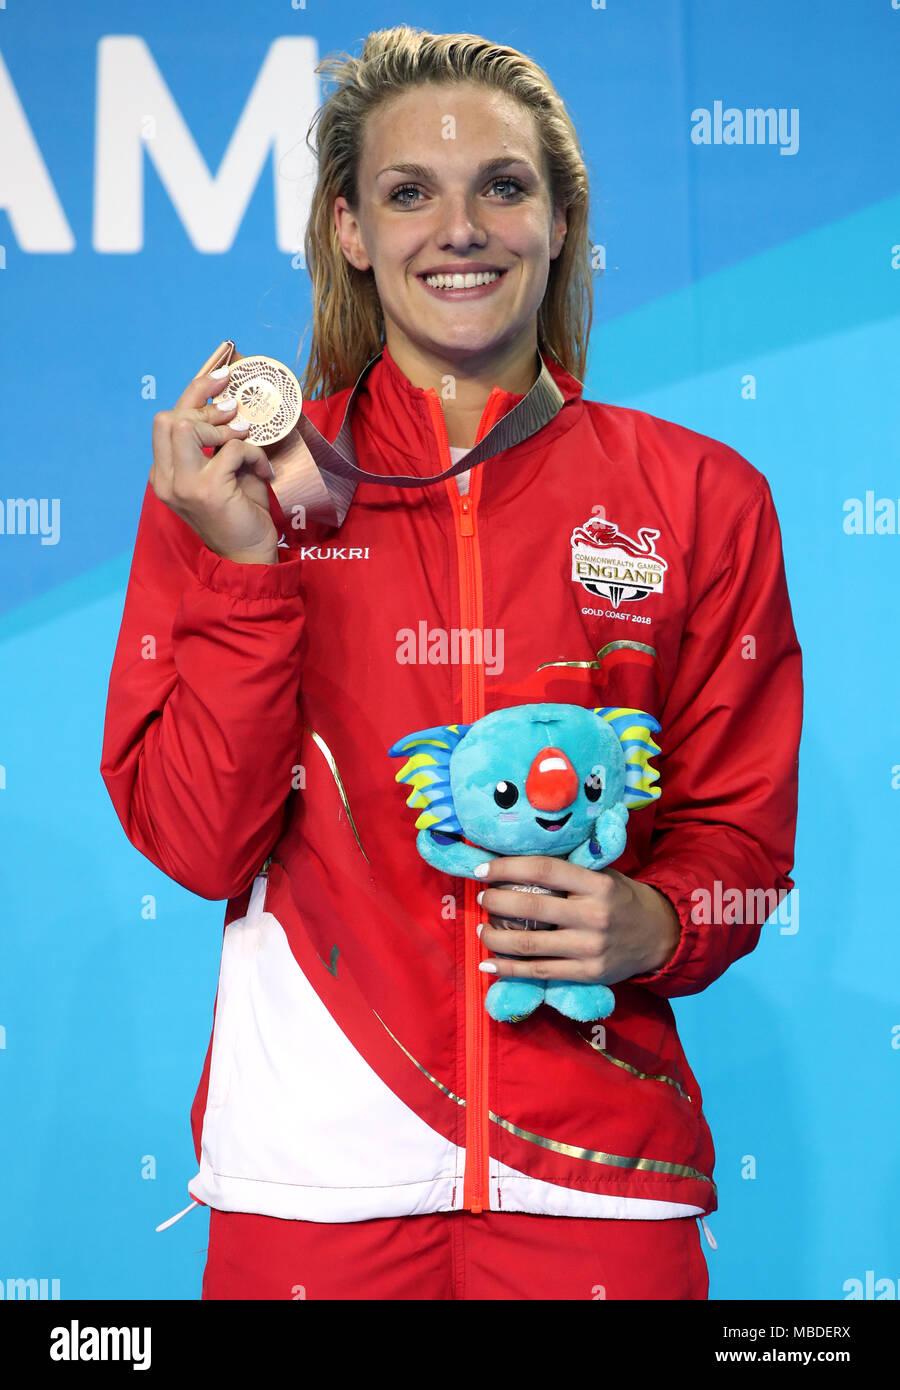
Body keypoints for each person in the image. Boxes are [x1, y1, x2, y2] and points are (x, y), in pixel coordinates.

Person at [100, 25, 802, 1301]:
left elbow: (739, 840)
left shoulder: (702, 495)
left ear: (560, 221)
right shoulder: (234, 488)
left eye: (504, 185)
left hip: (596, 1176)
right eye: (410, 192)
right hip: (312, 1185)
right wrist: (248, 575)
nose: (460, 228)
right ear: (352, 230)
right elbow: (201, 843)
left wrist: (662, 918)